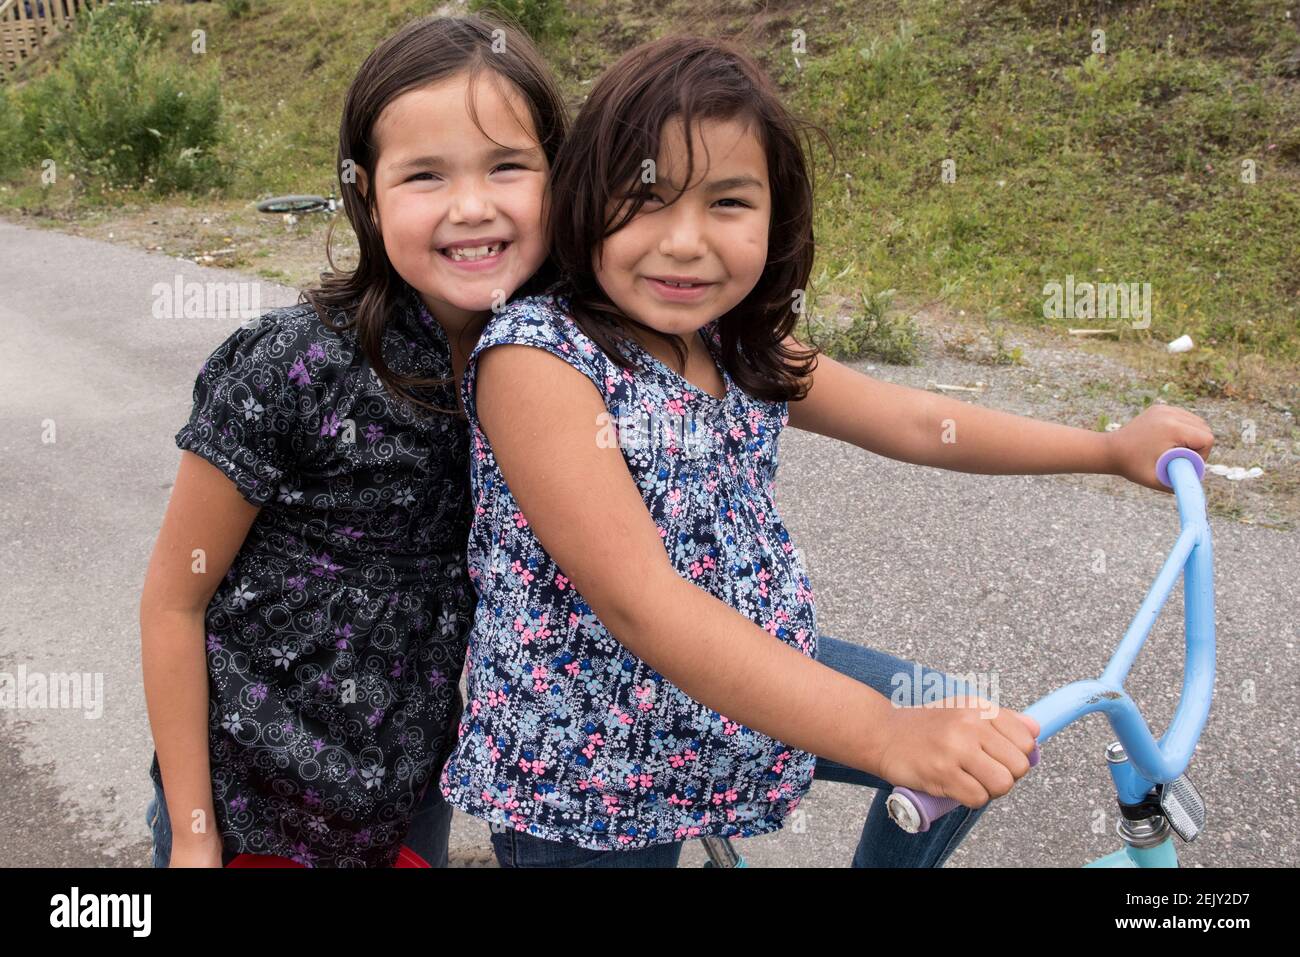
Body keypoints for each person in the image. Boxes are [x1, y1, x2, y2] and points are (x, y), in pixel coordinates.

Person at [438, 35, 1216, 867]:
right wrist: (885, 733)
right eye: (648, 198)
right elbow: (644, 603)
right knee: (918, 735)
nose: (686, 241)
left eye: (729, 203)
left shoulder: (733, 340)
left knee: (968, 733)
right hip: (590, 769)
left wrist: (1105, 449)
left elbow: (919, 422)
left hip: (746, 678)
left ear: (777, 218)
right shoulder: (538, 359)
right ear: (585, 200)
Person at [139, 13, 569, 867]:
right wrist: (193, 834)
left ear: (560, 179)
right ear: (365, 197)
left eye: (509, 165)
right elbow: (173, 600)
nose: (472, 206)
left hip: (407, 795)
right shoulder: (296, 366)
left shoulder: (560, 363)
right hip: (243, 801)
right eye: (424, 176)